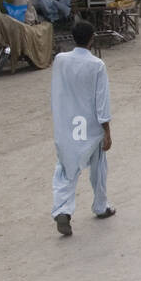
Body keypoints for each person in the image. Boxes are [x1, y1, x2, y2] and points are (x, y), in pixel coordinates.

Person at [50, 20, 114, 236]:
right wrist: (107, 130)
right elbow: (101, 100)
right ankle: (100, 206)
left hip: (67, 125)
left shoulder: (60, 60)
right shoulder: (97, 65)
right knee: (98, 168)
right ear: (92, 38)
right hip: (90, 126)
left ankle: (63, 210)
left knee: (66, 169)